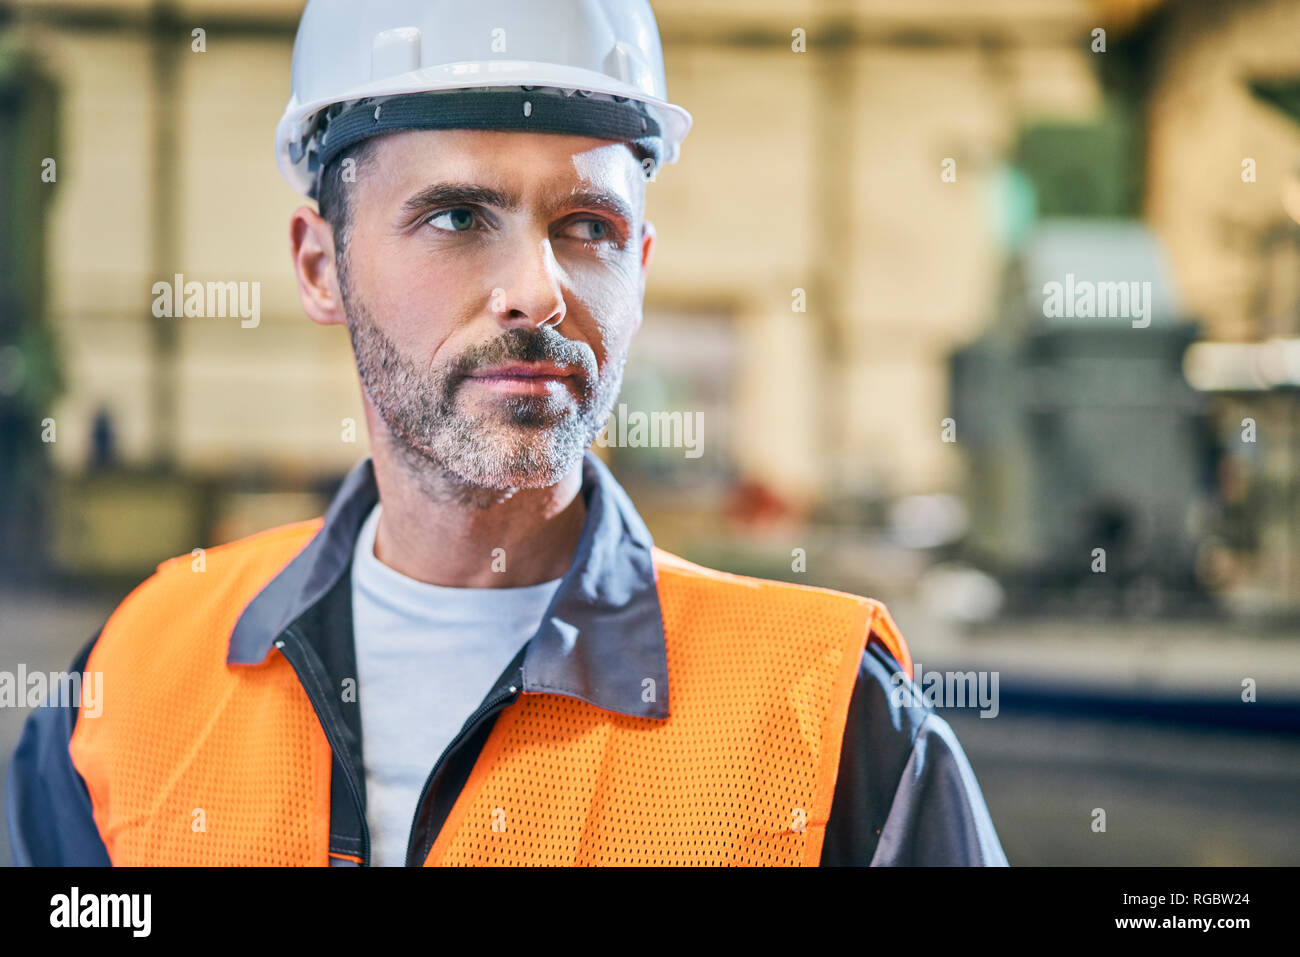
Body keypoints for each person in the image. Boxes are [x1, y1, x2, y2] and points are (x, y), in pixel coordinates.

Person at [6, 0, 1006, 866]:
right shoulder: (140, 671)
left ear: (640, 266)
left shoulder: (827, 714)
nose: (537, 291)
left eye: (589, 227)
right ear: (321, 265)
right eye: (454, 217)